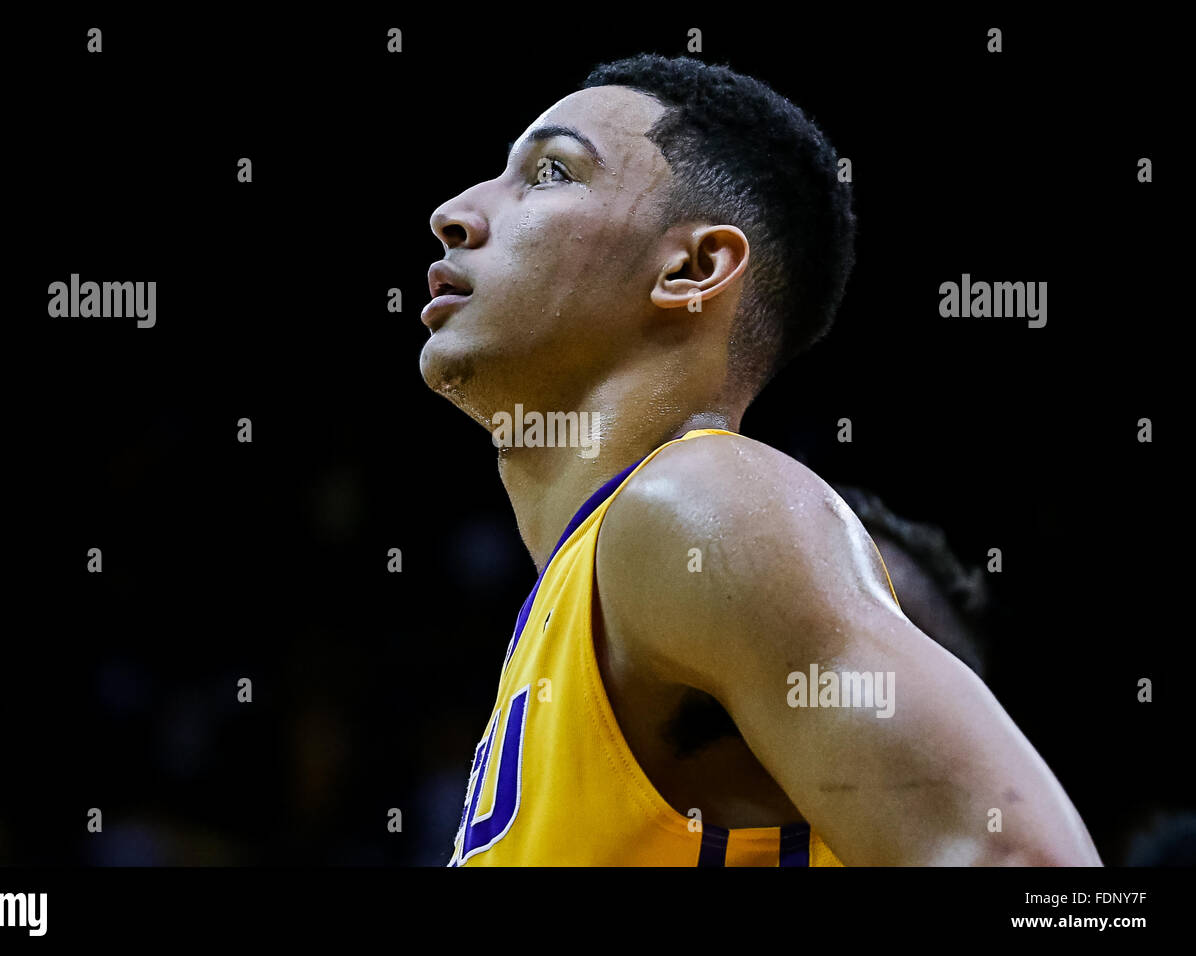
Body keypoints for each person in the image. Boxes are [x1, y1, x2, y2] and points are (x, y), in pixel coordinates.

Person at [420, 54, 1100, 866]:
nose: (454, 213)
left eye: (551, 171)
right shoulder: (575, 603)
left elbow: (1029, 866)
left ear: (692, 269)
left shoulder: (693, 501)